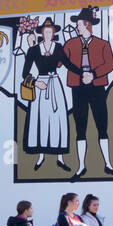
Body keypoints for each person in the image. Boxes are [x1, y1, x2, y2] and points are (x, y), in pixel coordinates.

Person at [61, 7, 113, 180]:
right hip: (78, 87)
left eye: (79, 24)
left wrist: (93, 74)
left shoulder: (102, 44)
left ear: (87, 24)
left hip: (97, 86)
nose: (77, 27)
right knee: (80, 127)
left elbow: (110, 64)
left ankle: (108, 164)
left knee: (102, 125)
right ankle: (81, 167)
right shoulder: (70, 44)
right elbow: (59, 62)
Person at [20, 17, 72, 172]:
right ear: (42, 33)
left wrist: (84, 73)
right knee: (41, 119)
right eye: (46, 31)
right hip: (41, 84)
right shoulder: (34, 50)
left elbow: (68, 65)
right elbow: (25, 73)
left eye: (50, 31)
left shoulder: (59, 47)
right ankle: (41, 155)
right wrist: (36, 83)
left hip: (55, 83)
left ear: (53, 32)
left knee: (58, 118)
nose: (48, 33)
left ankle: (60, 158)